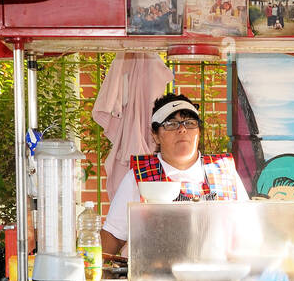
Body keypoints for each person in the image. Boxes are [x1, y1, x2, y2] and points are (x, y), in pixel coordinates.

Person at [101, 92, 251, 256]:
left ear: (198, 132)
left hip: (217, 277)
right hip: (155, 278)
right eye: (171, 124)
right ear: (155, 135)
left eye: (189, 123)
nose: (182, 129)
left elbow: (249, 233)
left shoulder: (225, 173)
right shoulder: (139, 177)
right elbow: (113, 235)